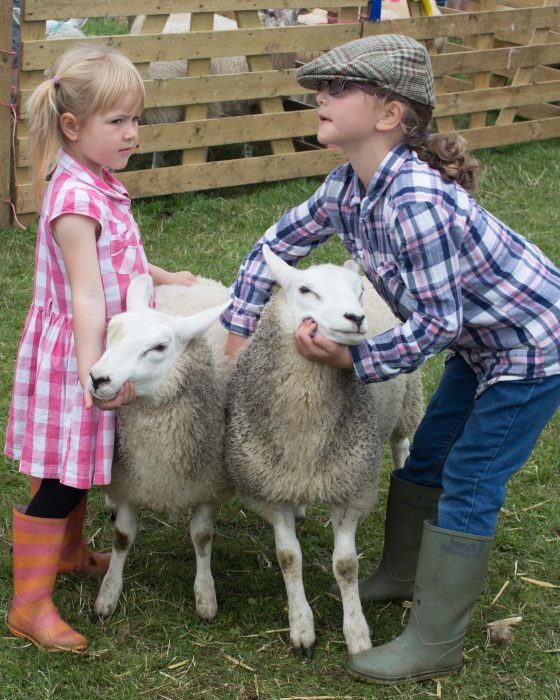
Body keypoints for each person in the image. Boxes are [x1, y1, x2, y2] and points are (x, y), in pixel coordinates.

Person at [221, 34, 560, 683]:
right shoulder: (347, 188)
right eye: (319, 86)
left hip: (531, 345)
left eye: (338, 88)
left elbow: (438, 320)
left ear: (389, 115)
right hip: (477, 343)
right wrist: (239, 330)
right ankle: (403, 573)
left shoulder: (418, 202)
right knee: (427, 455)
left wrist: (354, 362)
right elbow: (275, 244)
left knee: (469, 477)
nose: (320, 96)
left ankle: (436, 641)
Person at [4, 44, 197, 653]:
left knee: (83, 462)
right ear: (72, 125)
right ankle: (29, 605)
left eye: (136, 120)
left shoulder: (98, 181)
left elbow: (122, 257)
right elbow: (87, 293)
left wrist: (162, 278)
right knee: (62, 476)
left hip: (98, 347)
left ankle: (65, 553)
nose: (132, 133)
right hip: (81, 354)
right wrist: (95, 374)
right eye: (117, 121)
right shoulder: (75, 200)